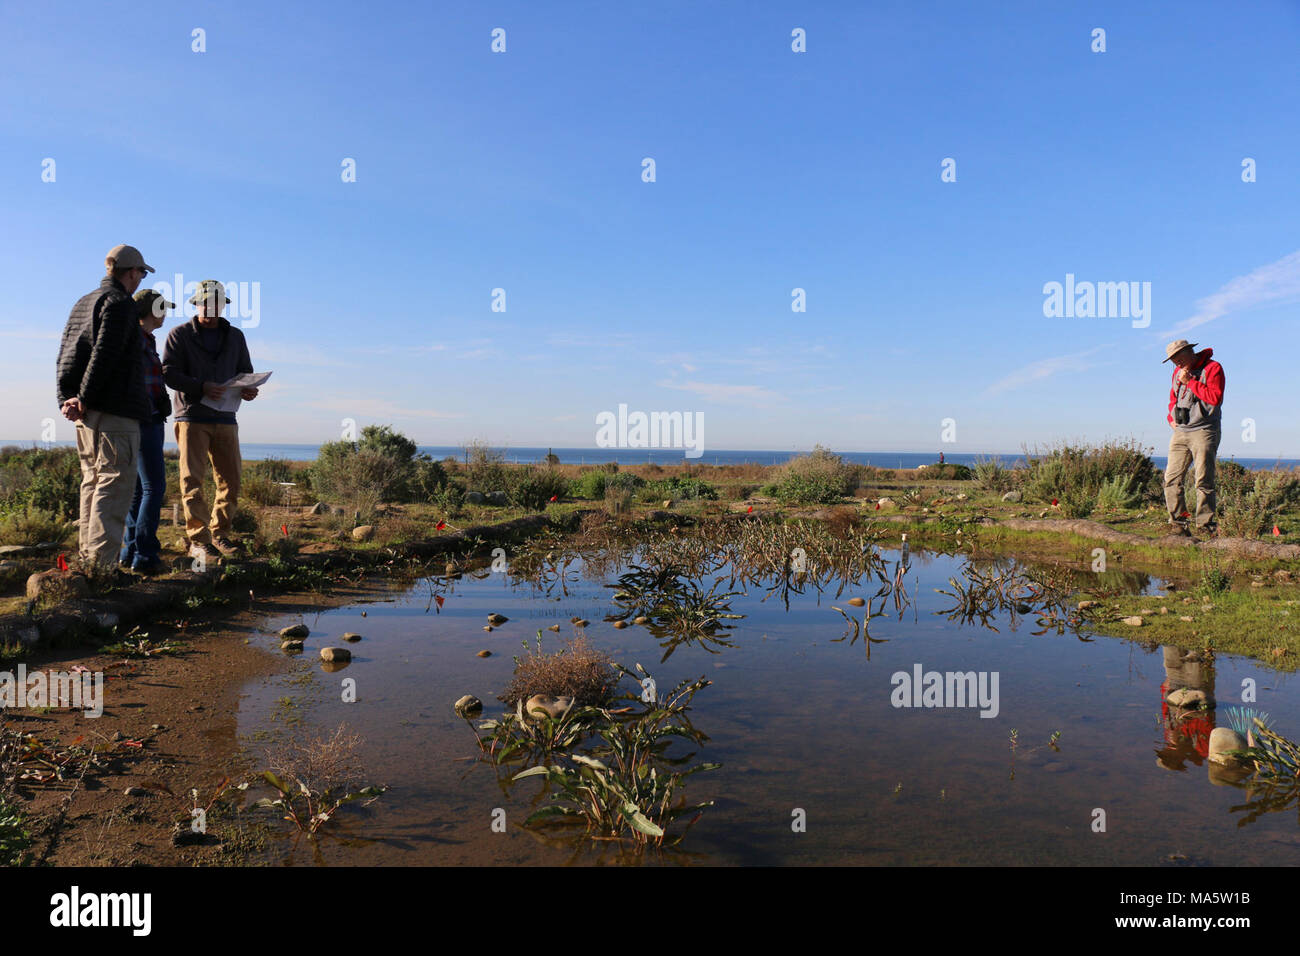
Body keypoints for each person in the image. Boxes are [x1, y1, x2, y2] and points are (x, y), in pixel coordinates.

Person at [56, 244, 155, 571]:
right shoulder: (121, 304)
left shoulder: (83, 303)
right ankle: (101, 571)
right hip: (115, 412)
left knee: (92, 486)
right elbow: (105, 354)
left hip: (86, 415)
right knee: (112, 491)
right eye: (141, 272)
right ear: (130, 272)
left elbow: (65, 355)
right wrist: (82, 396)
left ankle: (89, 565)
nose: (141, 278)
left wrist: (68, 398)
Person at [161, 279, 259, 559]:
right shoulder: (178, 334)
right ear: (197, 303)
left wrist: (249, 389)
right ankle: (198, 539)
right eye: (205, 302)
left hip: (227, 417)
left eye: (215, 302)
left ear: (222, 305)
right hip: (191, 416)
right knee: (192, 480)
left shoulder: (236, 337)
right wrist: (201, 386)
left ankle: (220, 535)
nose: (210, 307)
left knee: (231, 480)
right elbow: (168, 373)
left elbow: (245, 373)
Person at [119, 289, 175, 574]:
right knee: (154, 488)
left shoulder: (145, 339)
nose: (166, 314)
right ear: (152, 310)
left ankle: (130, 554)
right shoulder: (136, 340)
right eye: (163, 308)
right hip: (145, 419)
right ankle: (145, 556)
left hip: (143, 418)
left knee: (139, 490)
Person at [1162, 338, 1225, 536]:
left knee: (1203, 480)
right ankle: (1178, 524)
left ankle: (1205, 525)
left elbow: (1215, 398)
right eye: (1172, 359)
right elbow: (1173, 399)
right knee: (1171, 479)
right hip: (1180, 431)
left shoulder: (1213, 368)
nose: (1175, 362)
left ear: (1190, 351)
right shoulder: (1176, 372)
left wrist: (1190, 382)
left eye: (1177, 357)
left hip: (1204, 430)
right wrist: (1171, 418)